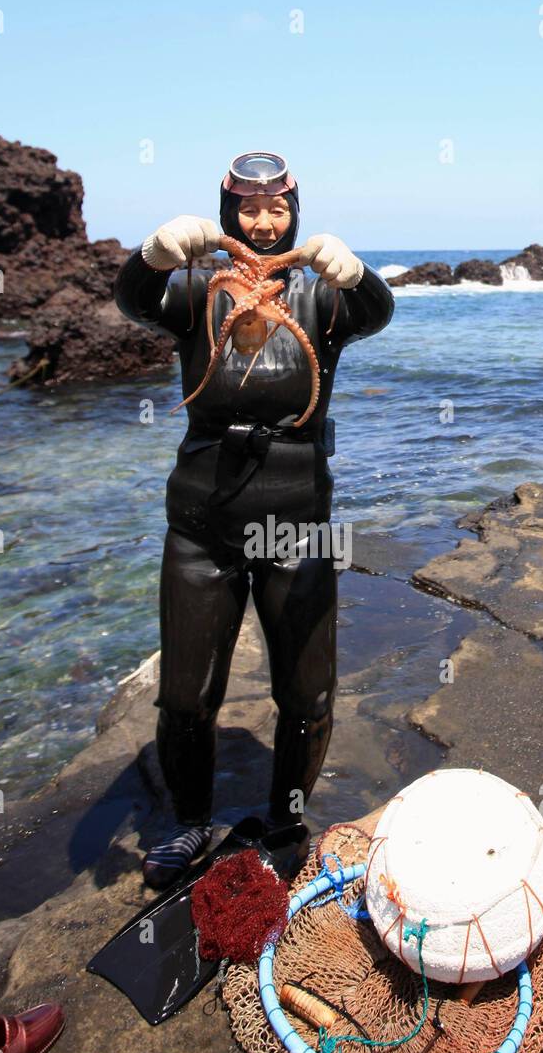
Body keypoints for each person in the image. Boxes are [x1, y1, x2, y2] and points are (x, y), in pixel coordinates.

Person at [114, 152, 394, 886]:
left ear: (293, 215)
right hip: (202, 521)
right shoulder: (196, 291)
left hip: (298, 519)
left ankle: (285, 817)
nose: (262, 223)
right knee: (183, 698)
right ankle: (188, 823)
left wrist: (355, 273)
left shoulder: (322, 301)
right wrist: (151, 256)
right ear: (228, 213)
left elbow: (377, 312)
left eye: (276, 210)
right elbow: (134, 300)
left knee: (306, 695)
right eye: (247, 210)